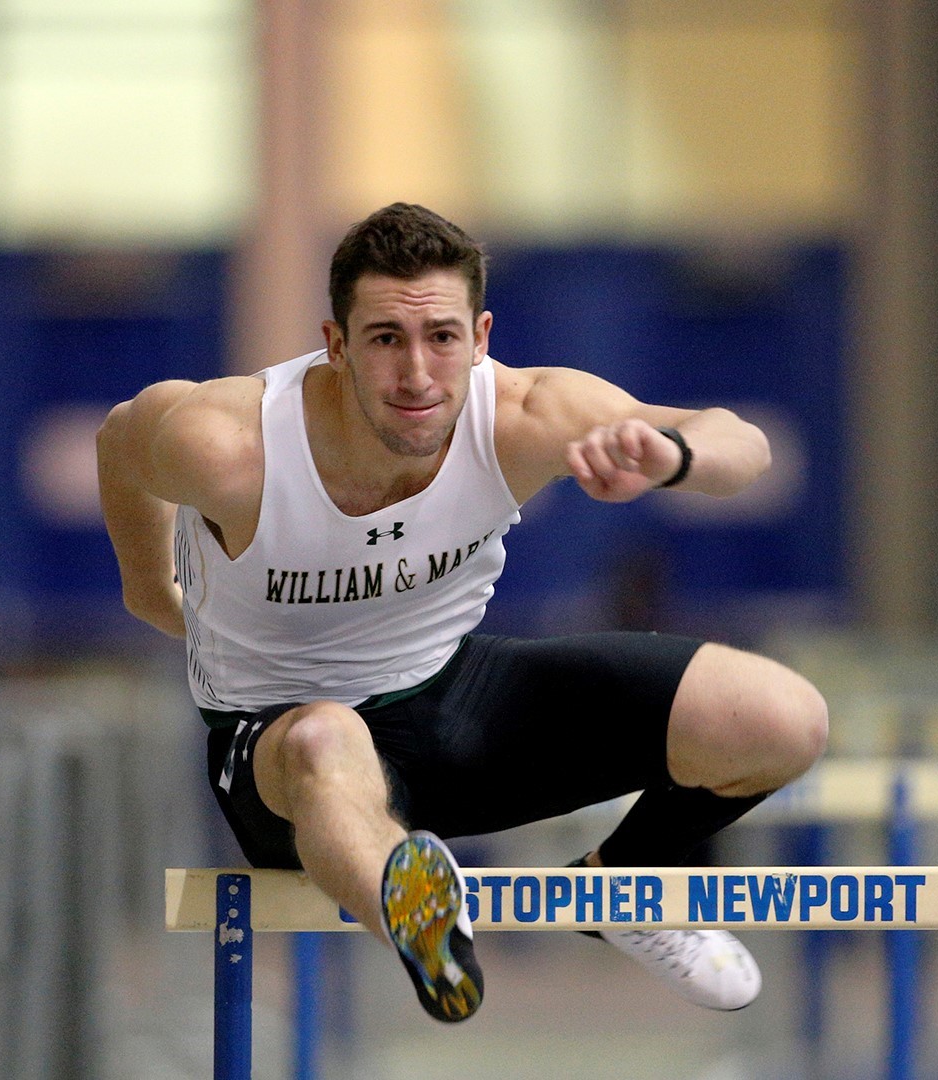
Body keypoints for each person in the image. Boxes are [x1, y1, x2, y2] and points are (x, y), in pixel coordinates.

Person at [97, 203, 828, 1023]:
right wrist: (148, 587)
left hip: (451, 694)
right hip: (281, 745)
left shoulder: (521, 414)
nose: (417, 375)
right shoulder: (232, 445)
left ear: (480, 337)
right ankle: (416, 916)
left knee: (782, 718)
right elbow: (123, 440)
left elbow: (745, 444)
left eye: (442, 338)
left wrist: (678, 459)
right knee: (326, 735)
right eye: (384, 340)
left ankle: (623, 882)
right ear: (336, 345)